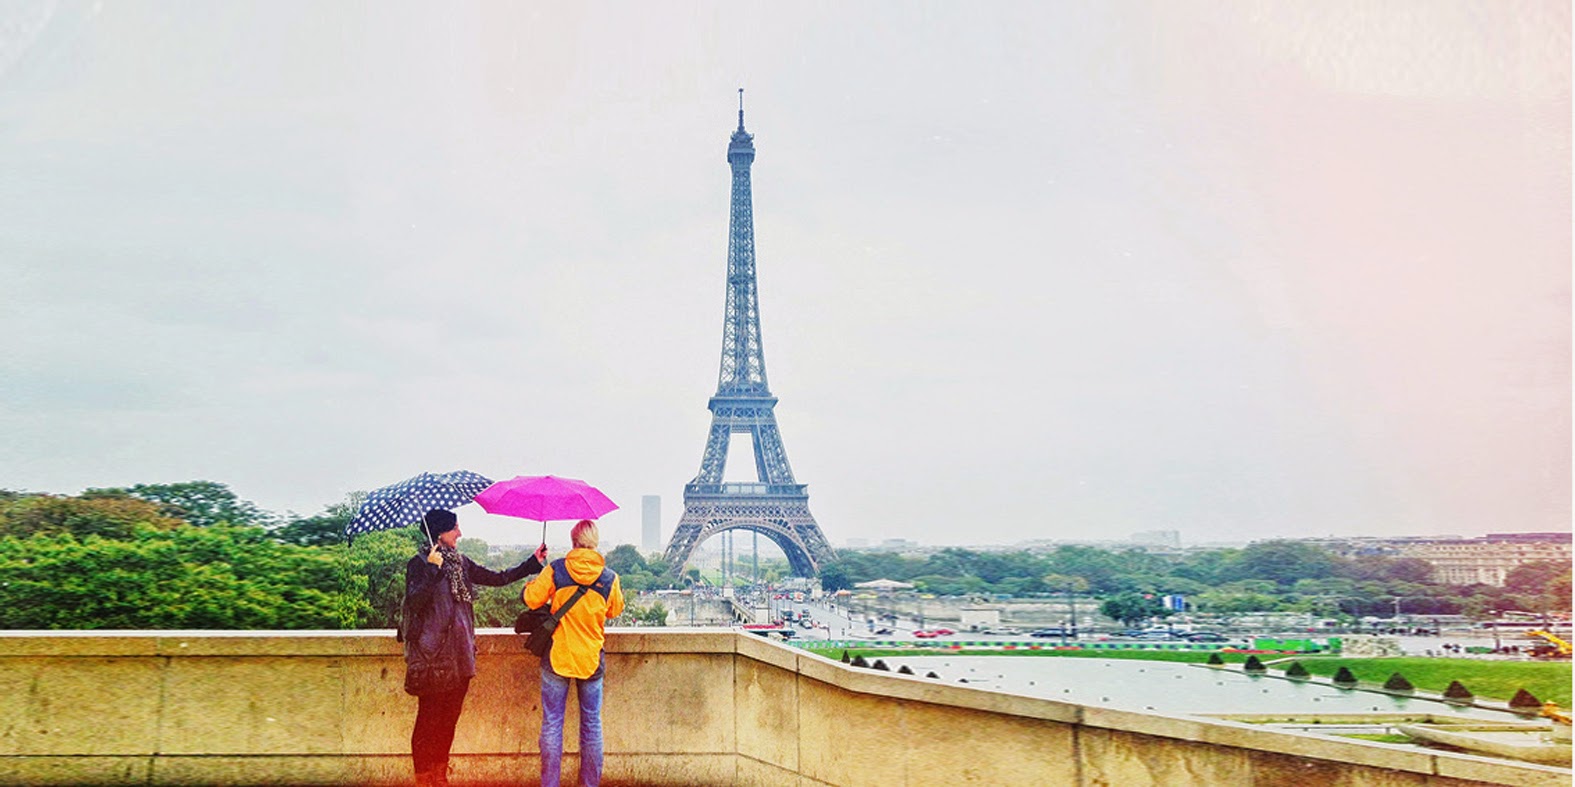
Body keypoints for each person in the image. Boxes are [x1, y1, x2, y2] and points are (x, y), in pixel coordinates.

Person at [402, 508, 547, 787]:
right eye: (455, 528)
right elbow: (415, 602)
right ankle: (424, 780)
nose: (460, 533)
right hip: (433, 658)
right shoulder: (419, 564)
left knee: (448, 720)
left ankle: (440, 777)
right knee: (427, 721)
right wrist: (433, 569)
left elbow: (497, 578)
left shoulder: (461, 563)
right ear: (441, 532)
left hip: (460, 656)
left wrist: (532, 562)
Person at [523, 519, 624, 787]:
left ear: (573, 542)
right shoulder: (609, 578)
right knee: (592, 724)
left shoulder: (557, 570)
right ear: (595, 543)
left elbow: (532, 600)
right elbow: (614, 610)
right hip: (590, 658)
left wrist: (534, 584)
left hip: (558, 655)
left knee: (552, 724)